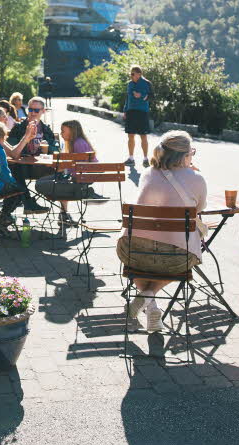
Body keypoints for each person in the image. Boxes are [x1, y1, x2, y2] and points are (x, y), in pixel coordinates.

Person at [116, 130, 206, 332]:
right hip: (177, 257)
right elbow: (199, 209)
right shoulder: (197, 178)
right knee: (179, 260)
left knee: (141, 263)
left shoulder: (147, 173)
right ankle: (149, 296)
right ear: (184, 156)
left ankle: (151, 305)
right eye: (192, 152)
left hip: (132, 251)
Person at [35, 119, 104, 226]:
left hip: (79, 182)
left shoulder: (78, 143)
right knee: (42, 181)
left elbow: (78, 169)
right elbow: (71, 166)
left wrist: (59, 165)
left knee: (40, 185)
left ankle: (84, 193)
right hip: (76, 179)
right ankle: (64, 214)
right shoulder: (75, 142)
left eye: (63, 131)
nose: (61, 133)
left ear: (72, 131)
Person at [7, 96, 55, 214]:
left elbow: (55, 149)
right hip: (22, 167)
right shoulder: (19, 128)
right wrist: (24, 140)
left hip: (41, 168)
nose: (33, 113)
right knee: (14, 171)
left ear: (43, 111)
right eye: (30, 109)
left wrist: (47, 149)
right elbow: (10, 148)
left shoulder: (46, 129)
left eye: (36, 110)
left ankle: (7, 215)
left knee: (15, 182)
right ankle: (27, 203)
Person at [123, 65, 152, 168]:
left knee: (143, 136)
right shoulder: (130, 84)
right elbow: (127, 98)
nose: (131, 76)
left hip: (142, 112)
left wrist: (141, 95)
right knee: (130, 135)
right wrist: (125, 110)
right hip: (131, 112)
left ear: (139, 74)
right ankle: (131, 158)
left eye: (133, 74)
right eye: (130, 74)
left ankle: (145, 159)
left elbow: (151, 96)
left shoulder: (147, 83)